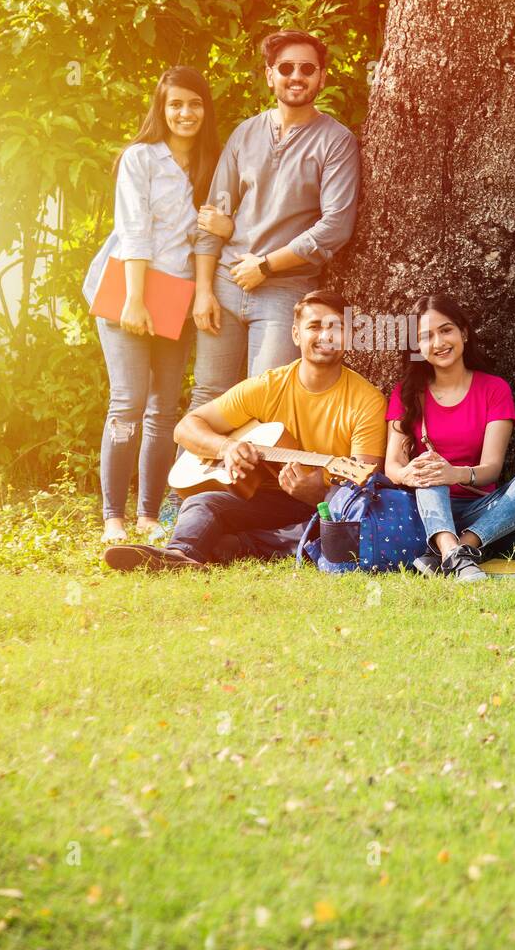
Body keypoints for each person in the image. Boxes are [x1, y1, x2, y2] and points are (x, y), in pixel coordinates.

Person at [103, 291, 386, 571]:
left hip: (322, 504)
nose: (325, 336)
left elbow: (364, 483)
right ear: (296, 335)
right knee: (202, 502)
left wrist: (319, 494)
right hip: (262, 496)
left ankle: (236, 546)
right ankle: (178, 555)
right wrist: (227, 448)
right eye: (314, 326)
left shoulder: (366, 400)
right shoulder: (268, 387)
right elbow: (187, 427)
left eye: (335, 328)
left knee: (337, 529)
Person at [83, 67, 222, 544]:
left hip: (179, 297)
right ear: (161, 110)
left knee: (164, 411)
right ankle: (112, 517)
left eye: (194, 104)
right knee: (127, 403)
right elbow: (134, 228)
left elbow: (211, 232)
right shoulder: (140, 158)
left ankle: (147, 514)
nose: (185, 113)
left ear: (206, 110)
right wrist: (136, 300)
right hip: (130, 286)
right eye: (175, 104)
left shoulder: (212, 163)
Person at [189, 30, 359, 404]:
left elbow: (336, 226)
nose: (296, 76)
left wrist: (265, 266)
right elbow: (213, 215)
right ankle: (187, 467)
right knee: (207, 394)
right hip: (225, 283)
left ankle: (252, 466)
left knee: (265, 401)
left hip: (285, 292)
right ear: (270, 75)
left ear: (322, 77)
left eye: (306, 68)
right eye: (285, 67)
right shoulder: (245, 134)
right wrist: (203, 291)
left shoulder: (337, 141)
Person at [384, 295, 515, 582]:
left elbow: (491, 467)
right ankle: (449, 547)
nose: (438, 343)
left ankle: (460, 551)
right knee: (429, 470)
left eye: (446, 330)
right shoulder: (406, 393)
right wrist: (410, 473)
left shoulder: (494, 389)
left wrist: (453, 473)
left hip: (486, 514)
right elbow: (392, 465)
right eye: (426, 337)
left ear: (463, 332)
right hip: (428, 510)